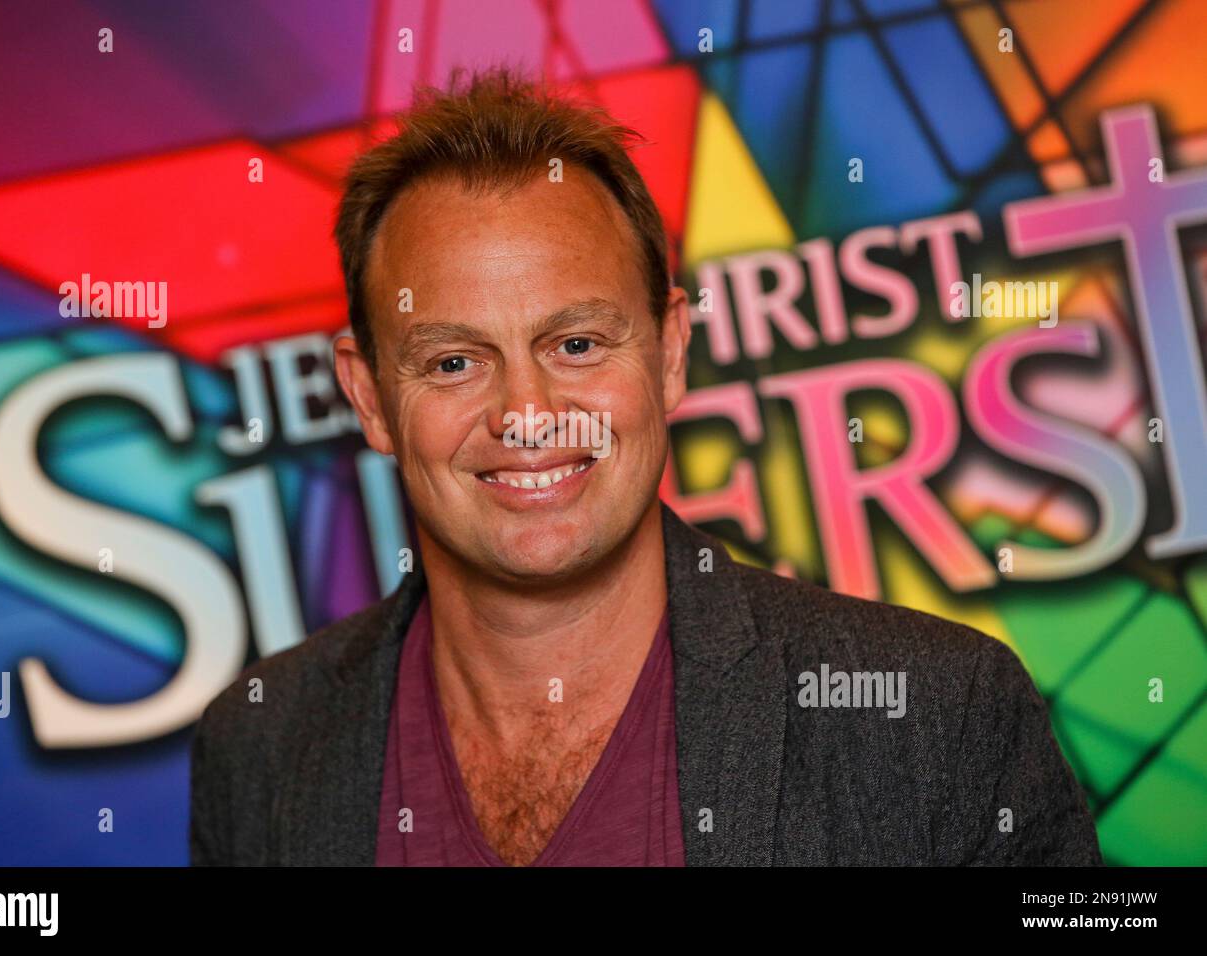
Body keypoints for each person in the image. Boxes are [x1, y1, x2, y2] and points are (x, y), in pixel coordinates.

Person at [189, 66, 1101, 867]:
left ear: (669, 354)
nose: (528, 414)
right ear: (369, 397)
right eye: (454, 363)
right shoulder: (262, 747)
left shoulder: (939, 719)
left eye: (577, 343)